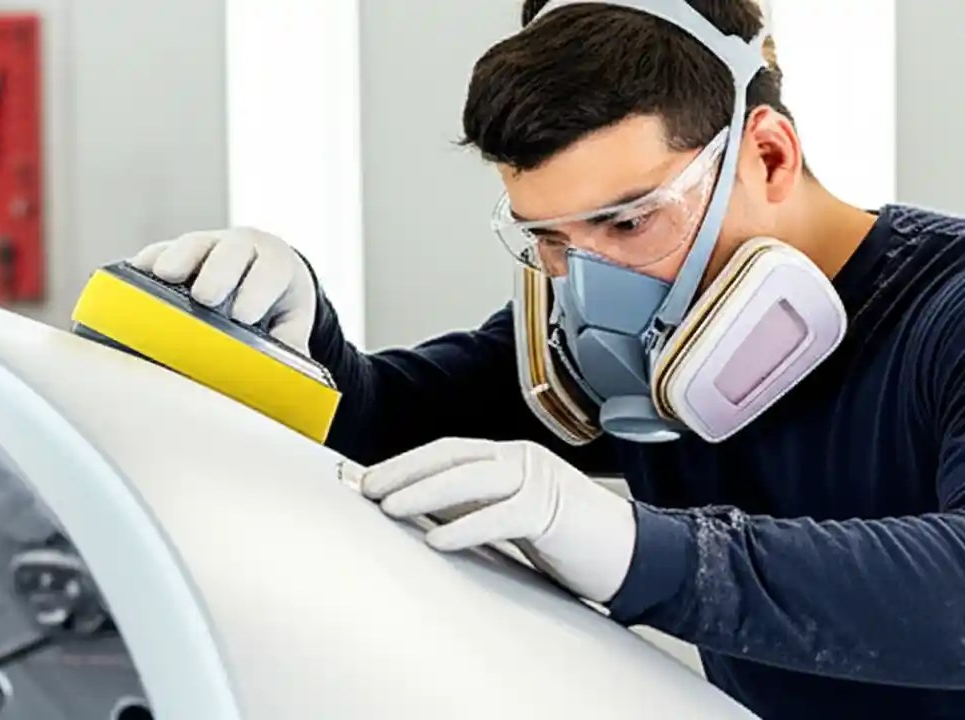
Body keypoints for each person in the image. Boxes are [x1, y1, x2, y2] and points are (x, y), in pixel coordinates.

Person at [130, 0, 965, 717]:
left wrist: (639, 551)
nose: (590, 283)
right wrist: (294, 333)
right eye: (549, 239)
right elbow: (381, 429)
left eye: (629, 222)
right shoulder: (629, 337)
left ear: (770, 156)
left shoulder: (946, 308)